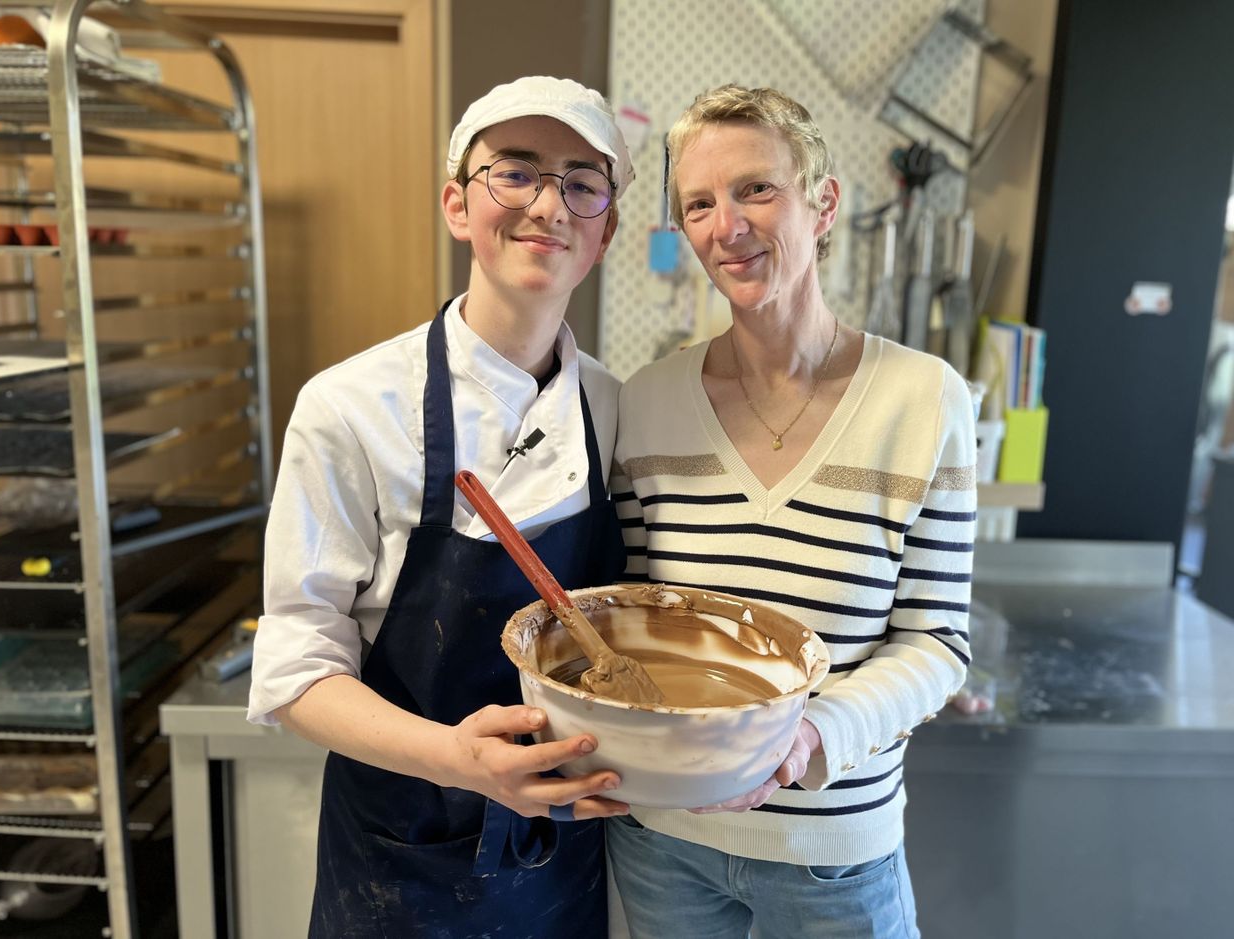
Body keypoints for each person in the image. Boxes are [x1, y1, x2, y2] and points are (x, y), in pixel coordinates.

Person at [247, 75, 635, 938]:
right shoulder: (350, 407)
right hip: (402, 860)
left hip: (563, 861)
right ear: (459, 204)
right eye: (517, 173)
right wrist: (457, 759)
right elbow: (295, 665)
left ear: (605, 229)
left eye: (581, 181)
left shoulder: (612, 408)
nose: (549, 204)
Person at [608, 84, 976, 939]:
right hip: (664, 843)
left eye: (755, 189)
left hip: (835, 855)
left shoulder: (923, 400)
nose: (725, 225)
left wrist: (810, 737)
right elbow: (627, 620)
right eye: (697, 203)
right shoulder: (648, 402)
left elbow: (938, 642)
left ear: (823, 202)